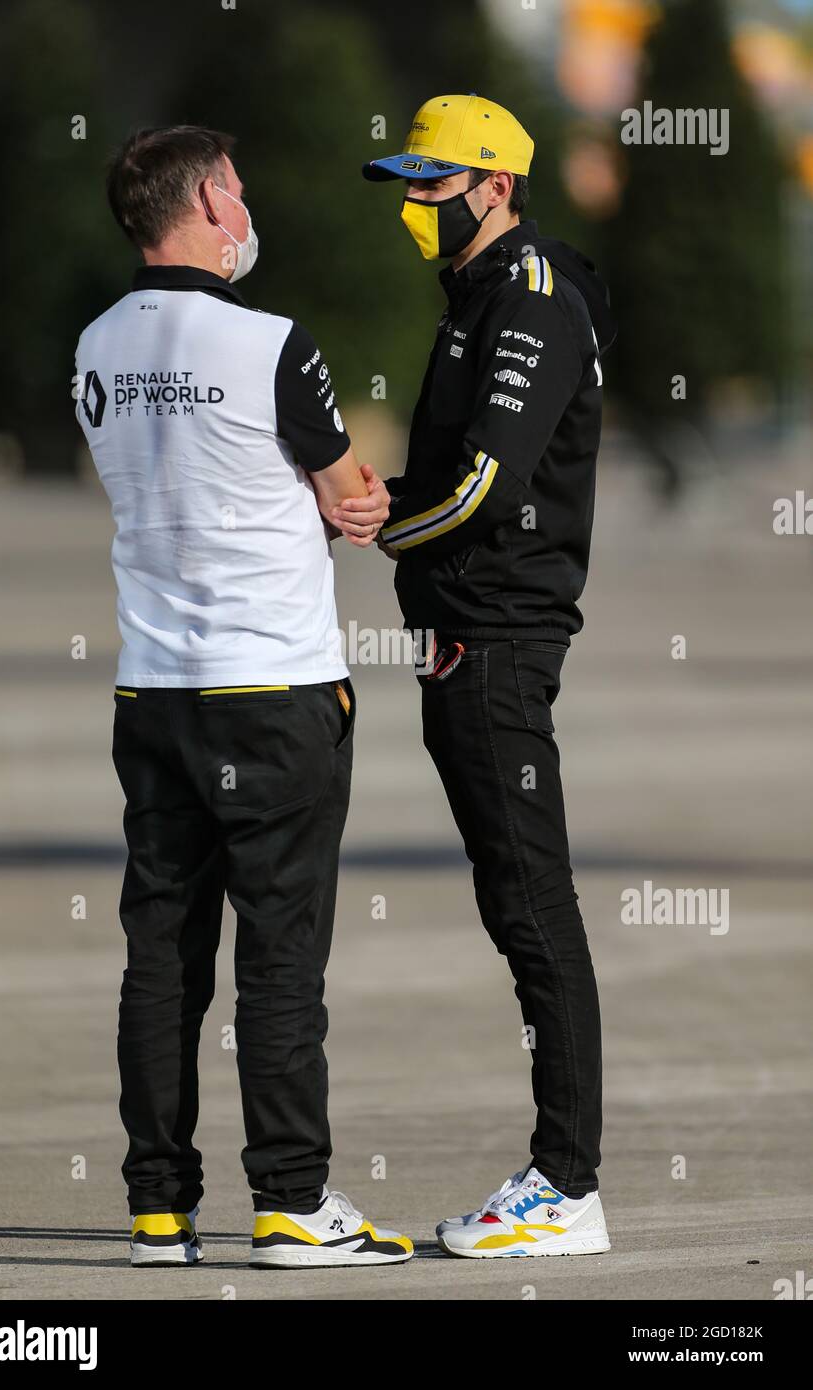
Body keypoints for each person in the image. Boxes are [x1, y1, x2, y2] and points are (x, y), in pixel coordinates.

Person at [74, 125, 412, 1269]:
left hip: (154, 691)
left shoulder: (94, 343)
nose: (249, 210)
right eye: (243, 191)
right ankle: (290, 1202)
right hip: (274, 688)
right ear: (214, 198)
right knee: (280, 958)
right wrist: (346, 500)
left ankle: (158, 1210)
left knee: (159, 953)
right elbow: (349, 491)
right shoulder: (271, 340)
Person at [340, 93, 616, 1258]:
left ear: (494, 185)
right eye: (406, 181)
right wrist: (376, 509)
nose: (415, 204)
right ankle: (563, 1175)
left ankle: (568, 1183)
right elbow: (445, 476)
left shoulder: (530, 298)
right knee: (517, 905)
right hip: (462, 636)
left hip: (499, 642)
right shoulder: (477, 295)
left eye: (432, 184)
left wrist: (367, 525)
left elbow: (482, 491)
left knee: (534, 906)